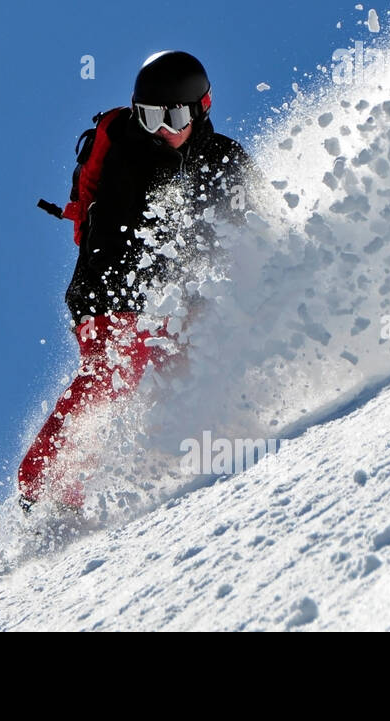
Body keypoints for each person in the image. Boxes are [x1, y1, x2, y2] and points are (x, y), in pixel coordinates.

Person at [18, 50, 254, 515]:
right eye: (149, 117)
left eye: (174, 116)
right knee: (117, 366)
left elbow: (257, 227)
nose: (162, 130)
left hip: (174, 306)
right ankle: (42, 481)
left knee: (183, 376)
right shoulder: (130, 148)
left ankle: (140, 480)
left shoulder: (223, 158)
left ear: (201, 109)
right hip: (110, 295)